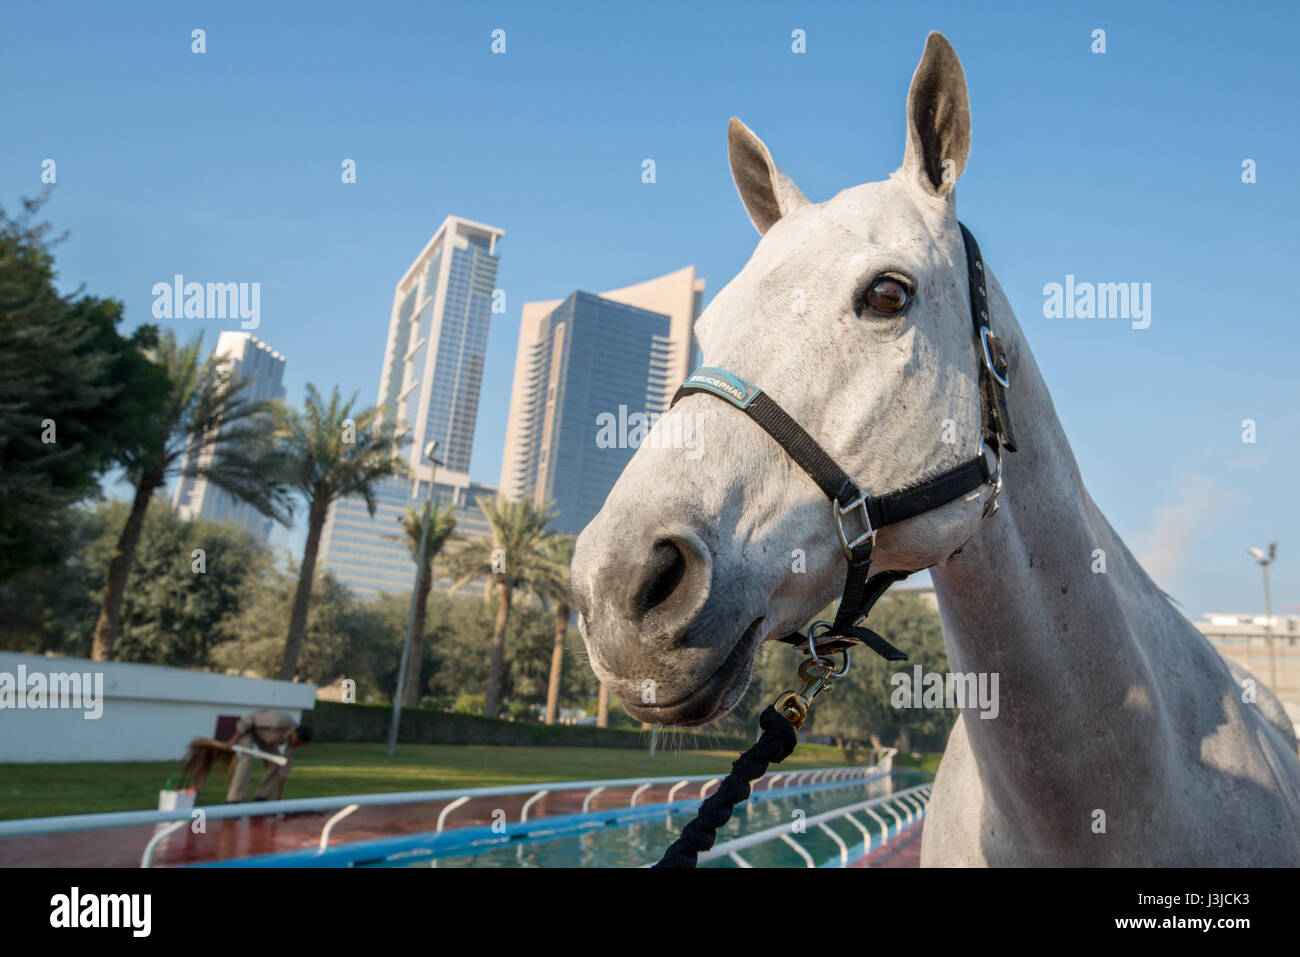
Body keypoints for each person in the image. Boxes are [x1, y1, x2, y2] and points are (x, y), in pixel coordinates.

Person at [225, 710, 312, 803]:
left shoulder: (294, 742)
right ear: (295, 734)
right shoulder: (279, 721)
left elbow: (284, 766)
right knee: (247, 759)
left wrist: (279, 793)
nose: (296, 745)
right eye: (298, 743)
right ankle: (234, 798)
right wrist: (234, 739)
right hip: (249, 731)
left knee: (275, 764)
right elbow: (251, 719)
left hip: (266, 739)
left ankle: (261, 797)